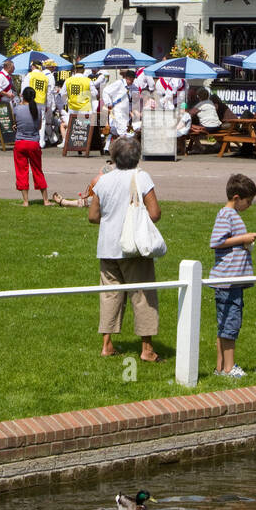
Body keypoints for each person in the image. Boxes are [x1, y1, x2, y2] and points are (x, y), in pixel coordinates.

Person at [88, 136, 163, 362]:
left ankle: (107, 344)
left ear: (114, 157)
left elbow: (92, 216)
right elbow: (155, 213)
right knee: (142, 295)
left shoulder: (103, 181)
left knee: (109, 295)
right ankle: (147, 349)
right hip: (133, 246)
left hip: (107, 246)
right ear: (137, 157)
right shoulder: (141, 177)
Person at [209, 173, 256, 378]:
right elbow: (216, 242)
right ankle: (229, 368)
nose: (250, 205)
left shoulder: (232, 216)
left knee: (226, 322)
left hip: (233, 281)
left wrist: (244, 242)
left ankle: (220, 367)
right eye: (249, 201)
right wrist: (243, 239)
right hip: (227, 281)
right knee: (230, 323)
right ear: (237, 198)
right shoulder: (226, 215)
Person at [11, 86, 48, 206]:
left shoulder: (17, 109)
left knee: (21, 171)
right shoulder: (38, 108)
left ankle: (25, 201)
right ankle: (45, 200)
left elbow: (16, 122)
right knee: (37, 170)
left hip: (20, 142)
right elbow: (38, 127)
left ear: (23, 96)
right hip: (33, 142)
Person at [62, 62, 92, 148]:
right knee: (84, 125)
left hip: (72, 106)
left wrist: (67, 101)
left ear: (75, 70)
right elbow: (94, 93)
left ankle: (70, 144)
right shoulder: (88, 80)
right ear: (83, 70)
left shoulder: (68, 80)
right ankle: (83, 144)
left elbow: (63, 93)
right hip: (84, 107)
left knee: (72, 125)